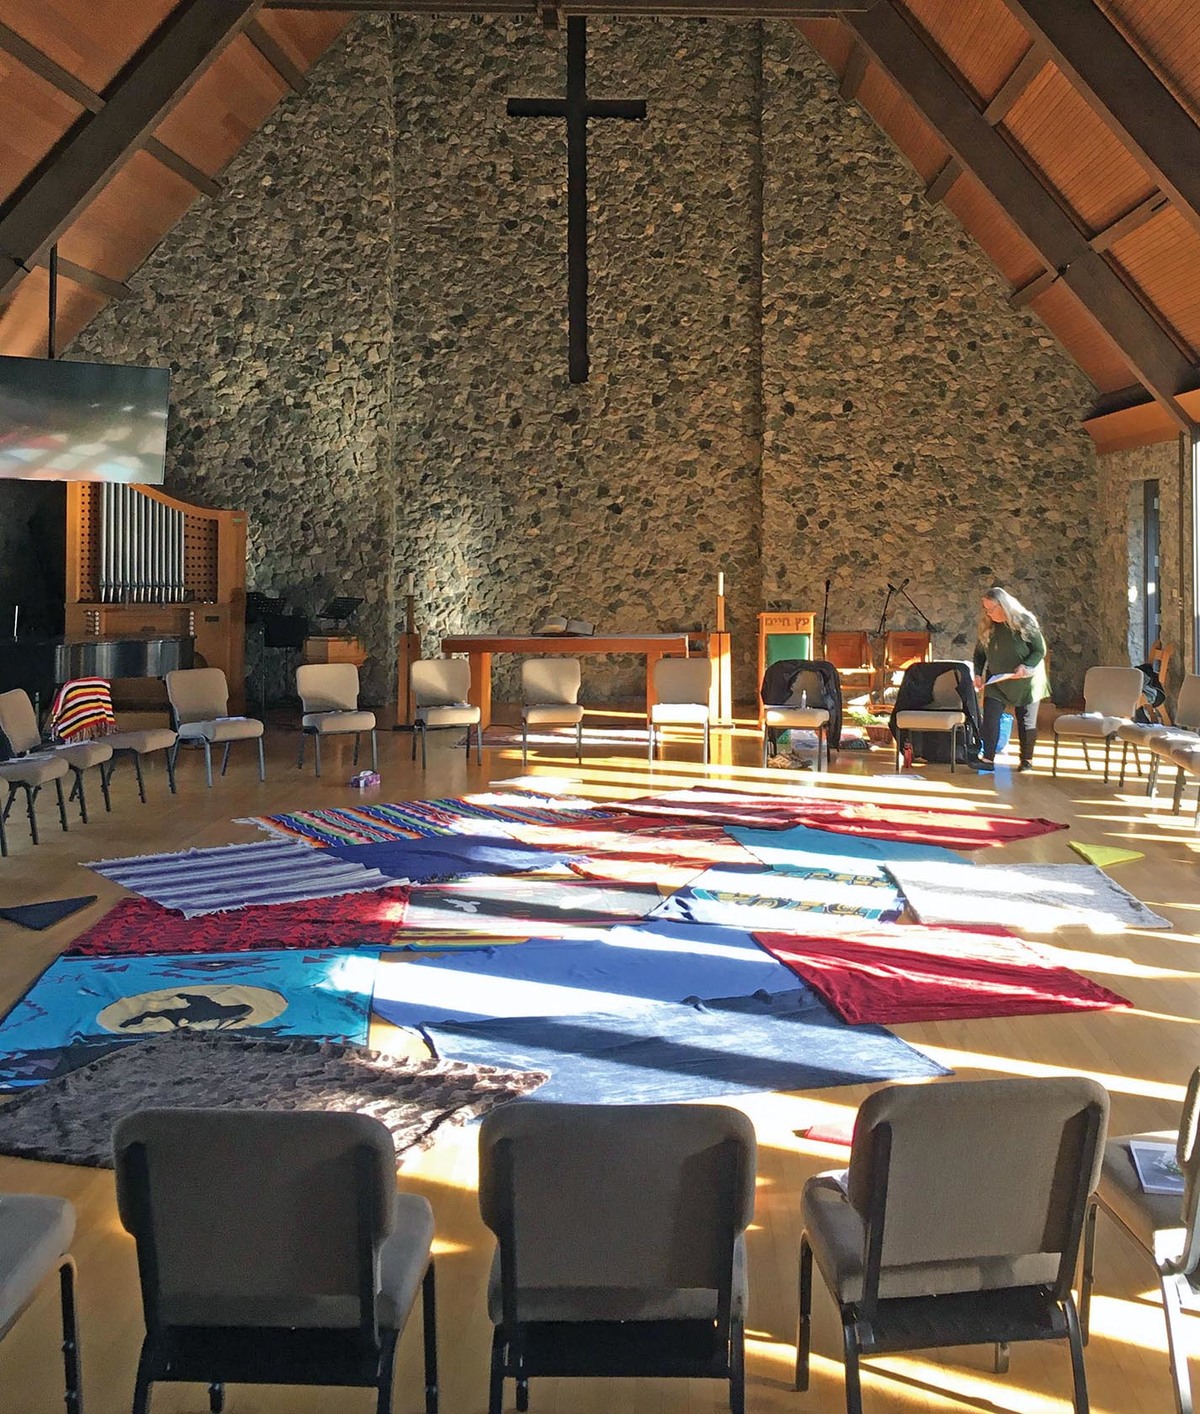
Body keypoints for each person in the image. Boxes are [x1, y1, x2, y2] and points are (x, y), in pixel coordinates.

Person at [972, 586, 1049, 772]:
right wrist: (977, 674)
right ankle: (988, 758)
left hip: (1025, 680)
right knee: (990, 716)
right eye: (986, 609)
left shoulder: (1024, 622)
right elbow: (979, 654)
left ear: (1003, 606)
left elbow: (1040, 650)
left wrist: (1026, 666)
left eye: (992, 609)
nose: (988, 613)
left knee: (1026, 721)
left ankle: (1026, 760)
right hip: (997, 680)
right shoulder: (988, 627)